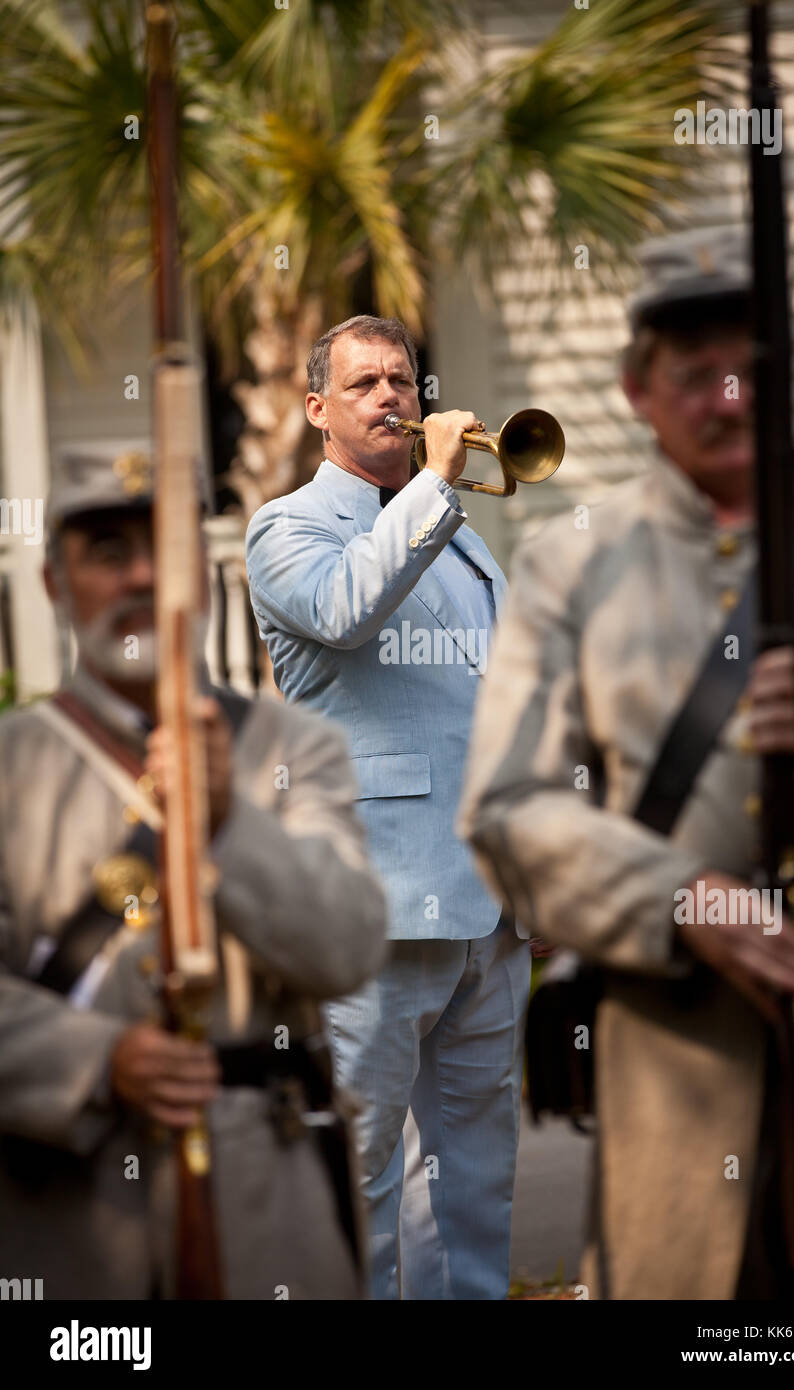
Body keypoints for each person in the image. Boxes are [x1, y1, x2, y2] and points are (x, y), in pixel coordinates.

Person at [459, 228, 794, 1300]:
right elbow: (504, 804)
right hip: (675, 1064)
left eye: (745, 371)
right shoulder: (572, 564)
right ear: (636, 388)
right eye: (693, 377)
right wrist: (679, 896)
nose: (725, 401)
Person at [0, 443, 388, 1299]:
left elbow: (348, 950)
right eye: (107, 554)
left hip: (270, 1201)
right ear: (54, 586)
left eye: (164, 548)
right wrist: (94, 1062)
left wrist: (229, 824)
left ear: (207, 576)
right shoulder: (11, 764)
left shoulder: (296, 749)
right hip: (71, 1217)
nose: (142, 577)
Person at [245, 315, 531, 1300]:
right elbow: (344, 610)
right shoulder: (288, 527)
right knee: (366, 1171)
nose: (390, 398)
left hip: (489, 906)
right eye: (363, 384)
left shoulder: (455, 538)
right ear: (318, 410)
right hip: (376, 902)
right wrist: (435, 486)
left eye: (402, 380)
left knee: (473, 1180)